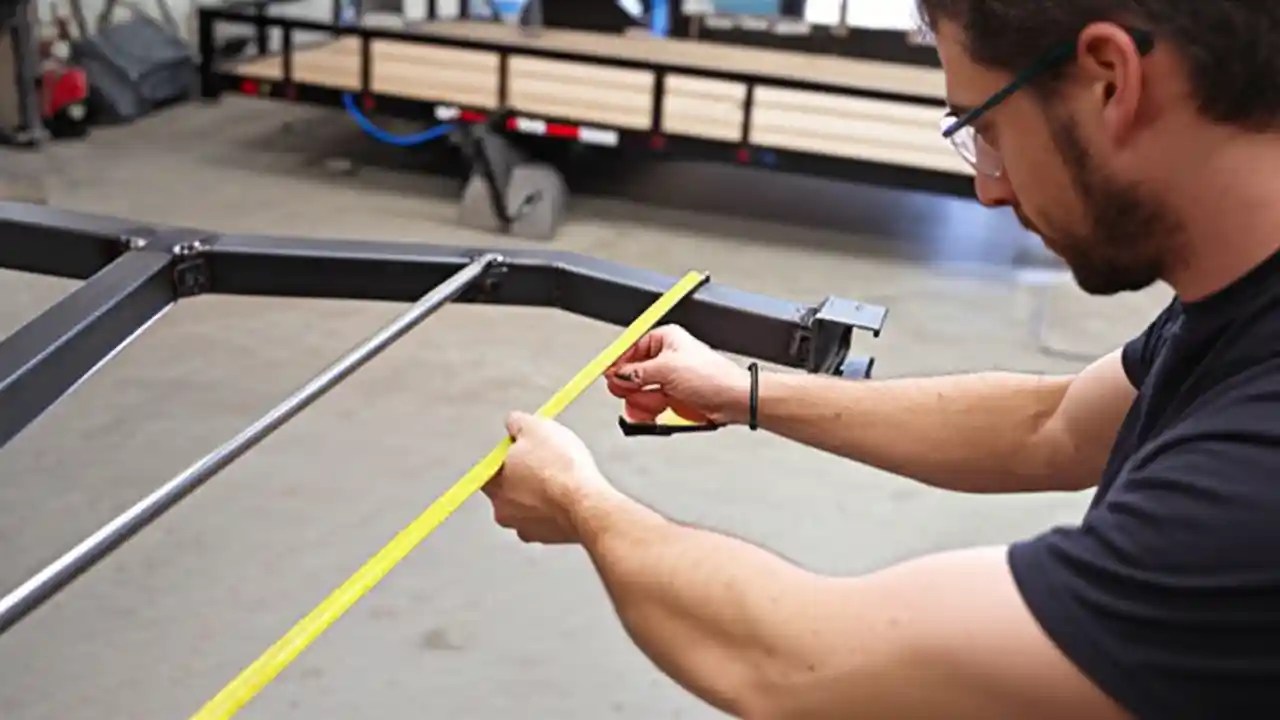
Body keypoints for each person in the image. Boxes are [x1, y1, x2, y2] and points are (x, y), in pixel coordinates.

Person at [481, 1, 1280, 717]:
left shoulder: (1250, 492)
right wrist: (742, 391)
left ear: (1110, 80)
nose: (990, 192)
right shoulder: (1240, 294)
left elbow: (798, 665)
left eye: (989, 126)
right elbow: (1054, 425)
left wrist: (579, 502)